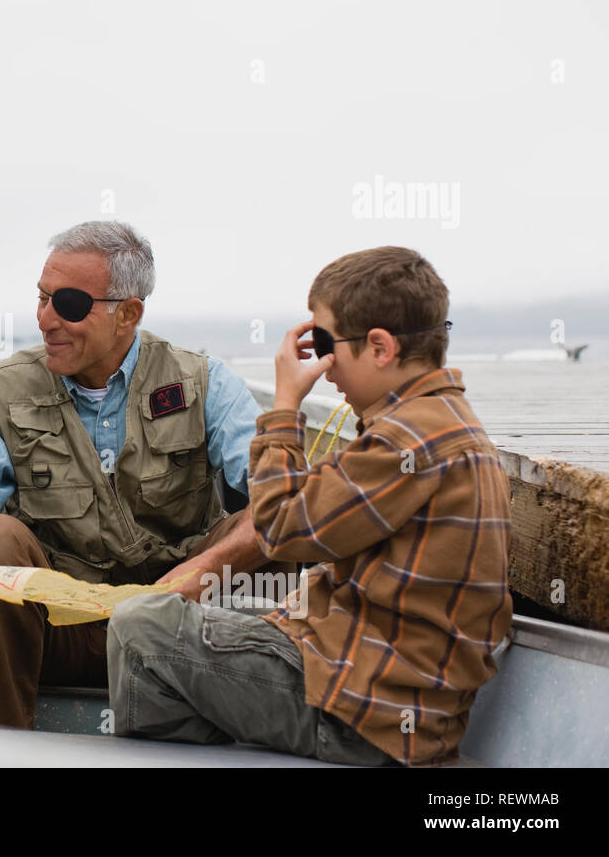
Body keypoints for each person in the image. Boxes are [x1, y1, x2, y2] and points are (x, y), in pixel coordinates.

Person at [106, 246, 512, 766]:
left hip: (361, 720)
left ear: (381, 348)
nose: (320, 365)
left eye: (324, 342)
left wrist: (284, 407)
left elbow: (278, 528)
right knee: (204, 614)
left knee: (139, 628)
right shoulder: (443, 422)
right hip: (380, 697)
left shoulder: (407, 442)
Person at [0, 220, 268, 728]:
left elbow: (282, 501)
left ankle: (255, 717)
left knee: (278, 520)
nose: (45, 320)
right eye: (41, 298)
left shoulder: (205, 383)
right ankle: (3, 748)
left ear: (128, 314)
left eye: (68, 305)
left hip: (179, 626)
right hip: (60, 631)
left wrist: (194, 579)